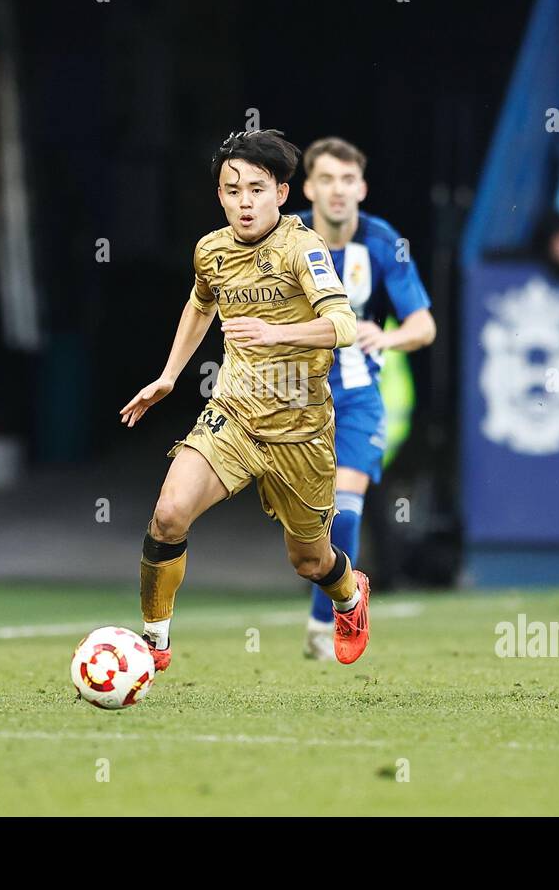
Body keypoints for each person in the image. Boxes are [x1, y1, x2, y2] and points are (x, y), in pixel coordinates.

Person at [119, 129, 369, 673]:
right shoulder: (211, 250)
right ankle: (153, 644)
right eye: (232, 190)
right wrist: (168, 376)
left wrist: (280, 335)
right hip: (233, 416)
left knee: (309, 561)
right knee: (168, 515)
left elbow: (344, 324)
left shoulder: (304, 248)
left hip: (300, 431)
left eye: (256, 189)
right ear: (220, 196)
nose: (244, 201)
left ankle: (349, 596)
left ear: (281, 192)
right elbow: (199, 305)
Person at [293, 137, 435, 659]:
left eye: (347, 180)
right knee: (307, 525)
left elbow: (424, 324)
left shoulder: (381, 241)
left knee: (343, 509)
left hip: (357, 397)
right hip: (292, 401)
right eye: (326, 179)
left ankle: (327, 622)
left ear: (362, 187)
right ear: (307, 188)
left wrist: (388, 336)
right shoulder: (283, 240)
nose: (338, 191)